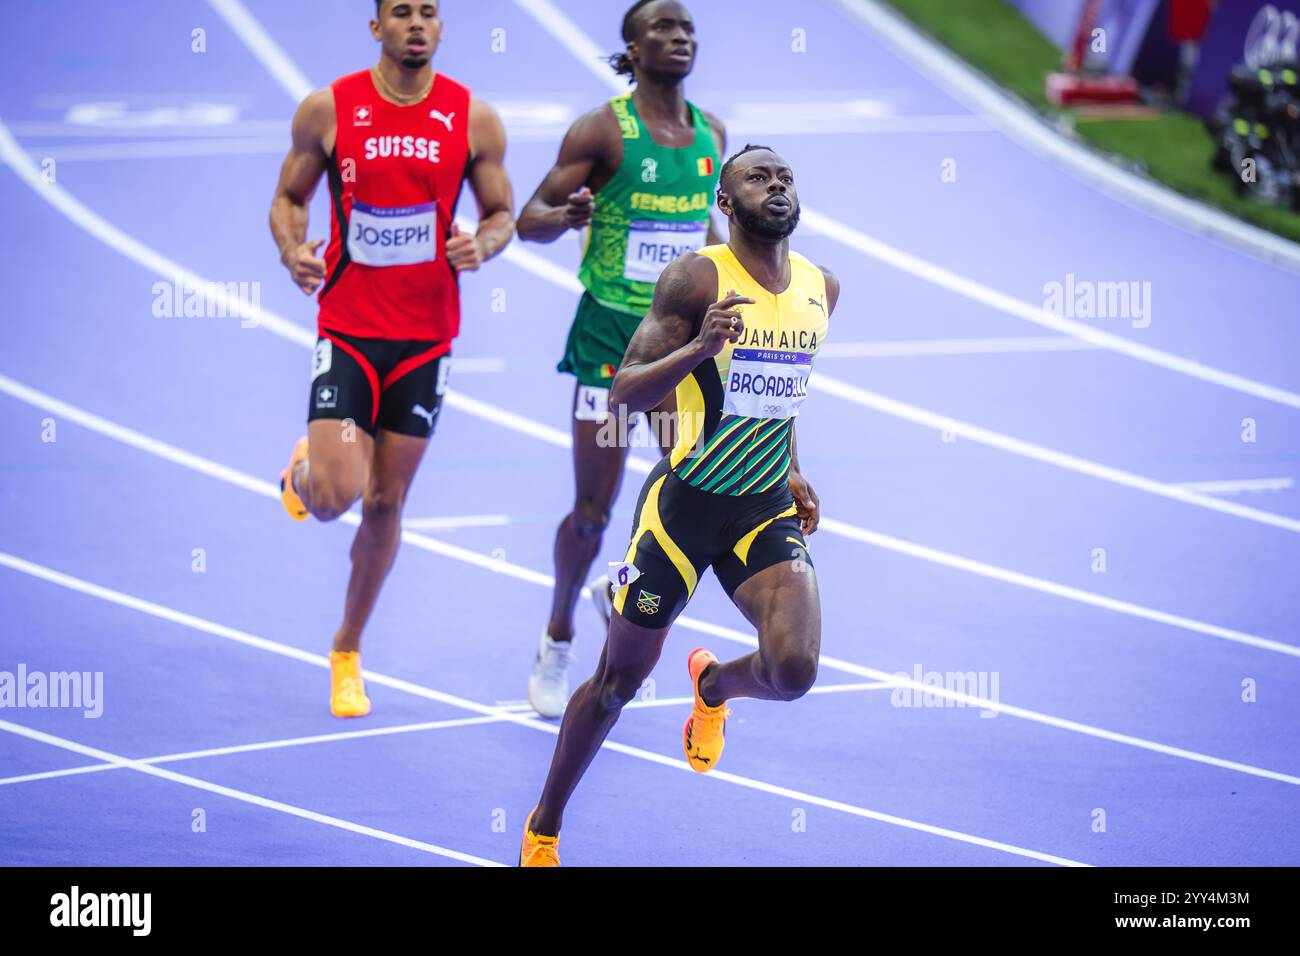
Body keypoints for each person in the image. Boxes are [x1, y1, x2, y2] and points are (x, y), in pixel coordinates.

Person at [519, 145, 838, 866]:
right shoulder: (695, 278)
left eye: (785, 176)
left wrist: (792, 467)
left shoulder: (822, 286)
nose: (776, 184)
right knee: (616, 685)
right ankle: (543, 827)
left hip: (763, 508)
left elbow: (780, 392)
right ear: (725, 203)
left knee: (793, 671)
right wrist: (698, 347)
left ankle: (714, 686)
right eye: (757, 177)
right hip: (682, 512)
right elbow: (625, 391)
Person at [269, 0, 514, 717]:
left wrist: (482, 244)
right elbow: (288, 197)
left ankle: (347, 648)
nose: (416, 23)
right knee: (333, 497)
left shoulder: (473, 118)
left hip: (426, 338)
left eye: (427, 12)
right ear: (376, 27)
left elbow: (500, 214)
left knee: (385, 501)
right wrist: (291, 249)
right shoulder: (330, 108)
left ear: (440, 27)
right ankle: (303, 474)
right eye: (400, 12)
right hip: (349, 329)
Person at [515, 0, 725, 718]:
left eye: (687, 28)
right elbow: (529, 221)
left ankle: (622, 590)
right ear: (632, 49)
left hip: (678, 348)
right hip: (609, 344)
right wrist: (564, 216)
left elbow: (705, 227)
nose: (679, 37)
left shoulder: (711, 133)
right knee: (591, 513)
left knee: (691, 488)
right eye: (662, 28)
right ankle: (558, 636)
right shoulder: (602, 131)